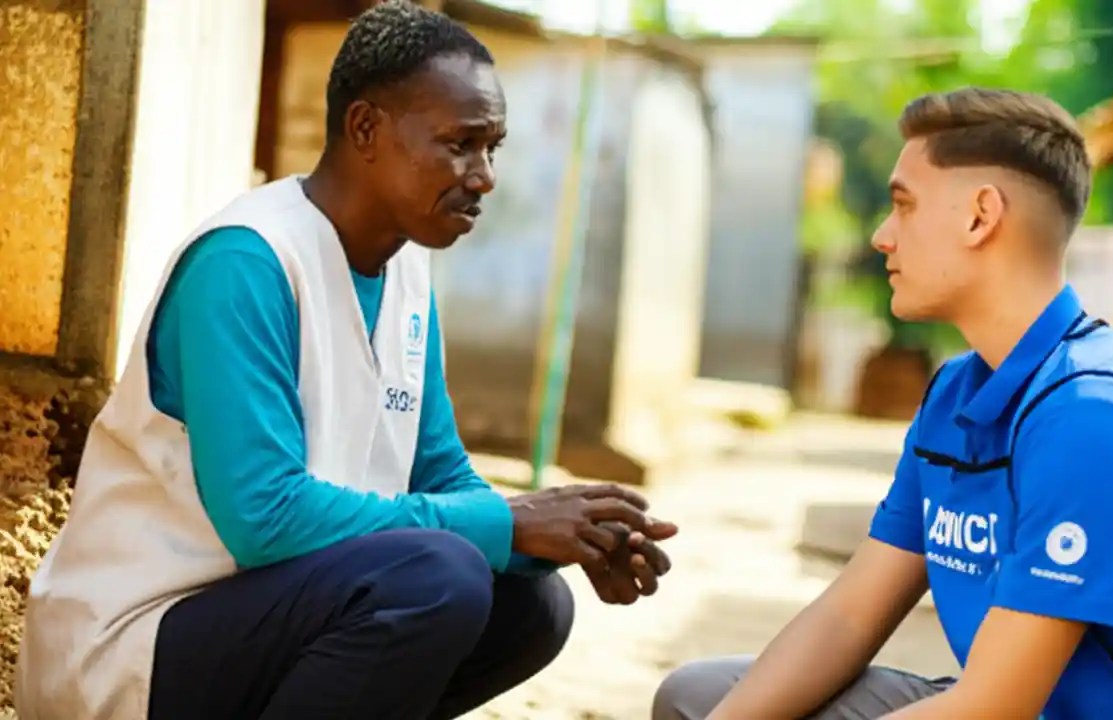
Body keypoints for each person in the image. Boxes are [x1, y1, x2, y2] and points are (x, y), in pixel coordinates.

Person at [16, 4, 677, 719]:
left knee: (532, 605)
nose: (483, 176)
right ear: (365, 129)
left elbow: (439, 472)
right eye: (460, 144)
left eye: (493, 148)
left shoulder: (407, 275)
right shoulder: (248, 261)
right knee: (440, 575)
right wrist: (508, 523)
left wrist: (568, 534)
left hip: (266, 619)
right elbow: (263, 517)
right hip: (135, 646)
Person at [652, 88, 1113, 719]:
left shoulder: (1097, 416)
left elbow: (991, 706)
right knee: (702, 698)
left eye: (904, 206)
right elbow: (848, 616)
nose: (881, 236)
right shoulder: (958, 391)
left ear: (981, 216)